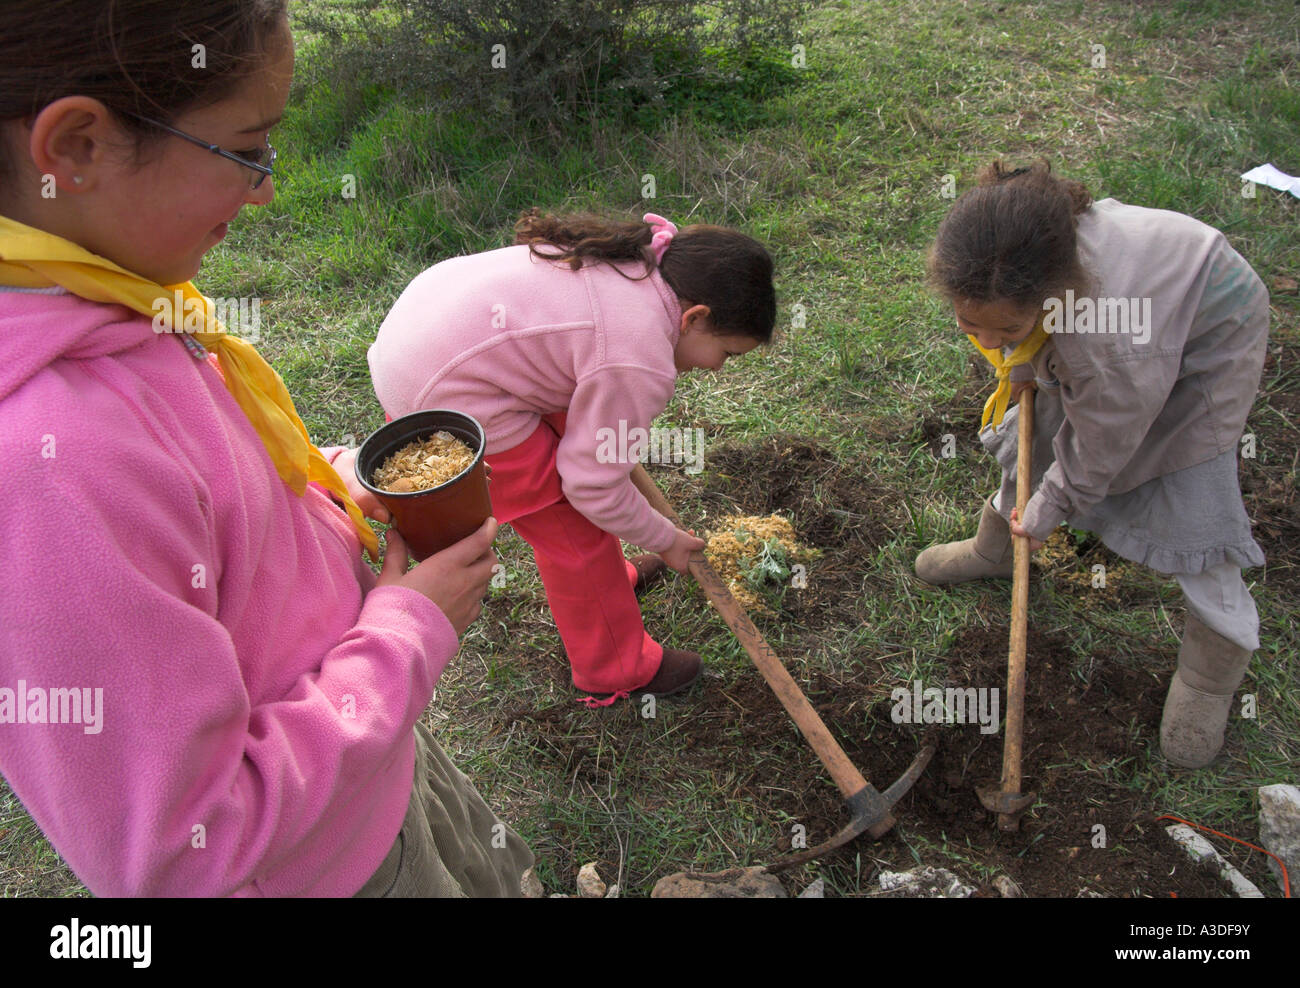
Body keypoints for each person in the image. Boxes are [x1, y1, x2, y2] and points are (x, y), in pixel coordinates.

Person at [0, 0, 532, 897]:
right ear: (78, 148)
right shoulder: (50, 470)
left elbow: (196, 507)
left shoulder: (106, 298)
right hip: (325, 867)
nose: (266, 189)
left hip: (357, 769)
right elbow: (184, 851)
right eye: (247, 150)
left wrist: (314, 497)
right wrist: (407, 632)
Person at [915, 159, 1269, 769]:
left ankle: (1210, 675)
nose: (988, 340)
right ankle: (996, 552)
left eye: (1007, 330)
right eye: (973, 324)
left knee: (1190, 489)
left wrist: (1051, 506)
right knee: (1039, 424)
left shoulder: (1106, 345)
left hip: (1208, 327)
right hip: (1124, 315)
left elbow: (1106, 439)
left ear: (1050, 300)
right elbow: (1023, 346)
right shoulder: (1017, 250)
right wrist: (1022, 358)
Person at [369, 210, 776, 704]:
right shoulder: (638, 355)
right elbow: (590, 486)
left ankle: (610, 583)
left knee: (580, 448)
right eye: (727, 355)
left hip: (422, 338)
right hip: (447, 398)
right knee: (572, 523)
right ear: (694, 318)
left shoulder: (641, 264)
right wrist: (665, 539)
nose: (718, 369)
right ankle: (615, 668)